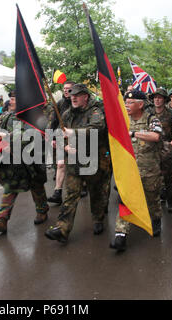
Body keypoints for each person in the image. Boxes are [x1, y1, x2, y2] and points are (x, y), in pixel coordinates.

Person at [45, 84, 111, 243]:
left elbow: (96, 128)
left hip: (94, 160)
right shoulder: (67, 114)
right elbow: (61, 133)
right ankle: (62, 228)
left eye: (77, 95)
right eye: (71, 94)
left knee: (96, 193)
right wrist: (60, 143)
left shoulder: (95, 111)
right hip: (74, 161)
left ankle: (97, 219)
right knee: (71, 194)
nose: (73, 97)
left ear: (85, 97)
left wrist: (73, 133)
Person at [0, 91, 49, 233]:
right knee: (10, 187)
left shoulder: (32, 117)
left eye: (13, 99)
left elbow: (31, 135)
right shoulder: (8, 116)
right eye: (11, 99)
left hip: (32, 159)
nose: (11, 102)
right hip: (14, 161)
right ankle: (1, 220)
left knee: (36, 186)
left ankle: (42, 210)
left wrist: (9, 139)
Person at [111, 90, 163, 252]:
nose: (127, 105)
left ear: (140, 104)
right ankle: (121, 234)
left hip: (149, 169)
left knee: (152, 199)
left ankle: (155, 220)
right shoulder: (123, 120)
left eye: (130, 103)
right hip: (129, 170)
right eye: (126, 103)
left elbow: (156, 136)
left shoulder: (151, 118)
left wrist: (133, 133)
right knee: (125, 199)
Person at [149, 88, 172, 213]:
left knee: (169, 179)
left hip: (167, 151)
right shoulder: (148, 113)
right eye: (155, 98)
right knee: (153, 179)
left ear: (164, 100)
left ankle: (171, 201)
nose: (157, 100)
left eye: (160, 98)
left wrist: (169, 146)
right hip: (151, 151)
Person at [47, 81, 75, 205]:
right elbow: (53, 121)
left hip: (76, 138)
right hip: (60, 137)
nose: (66, 91)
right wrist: (52, 137)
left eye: (69, 89)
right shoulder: (59, 103)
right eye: (64, 88)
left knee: (77, 165)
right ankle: (57, 192)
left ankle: (83, 185)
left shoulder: (78, 103)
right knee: (60, 165)